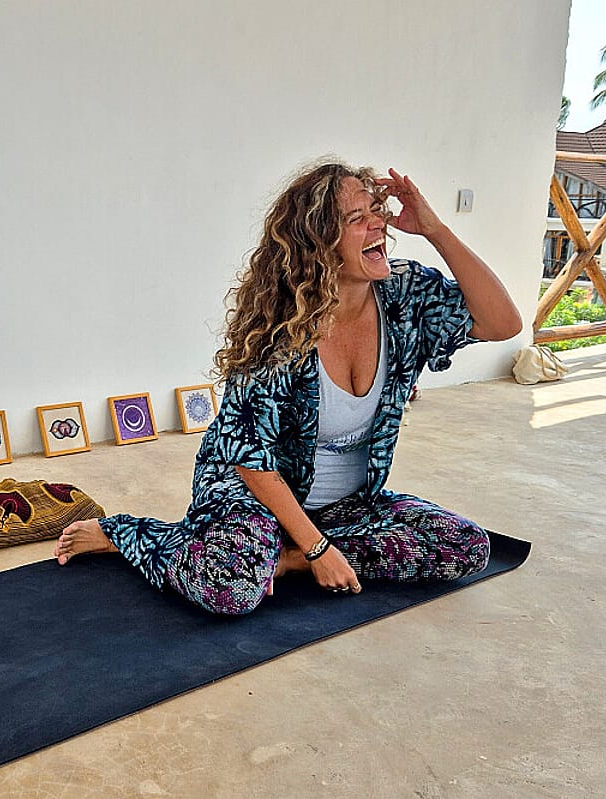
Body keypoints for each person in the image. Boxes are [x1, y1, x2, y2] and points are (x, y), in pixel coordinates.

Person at [55, 160, 522, 615]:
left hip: (349, 506)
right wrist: (320, 548)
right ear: (318, 242)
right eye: (356, 218)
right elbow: (251, 461)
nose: (377, 223)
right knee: (229, 589)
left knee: (467, 546)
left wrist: (435, 230)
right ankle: (127, 534)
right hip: (252, 491)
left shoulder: (403, 296)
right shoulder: (280, 328)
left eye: (375, 209)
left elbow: (502, 323)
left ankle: (284, 561)